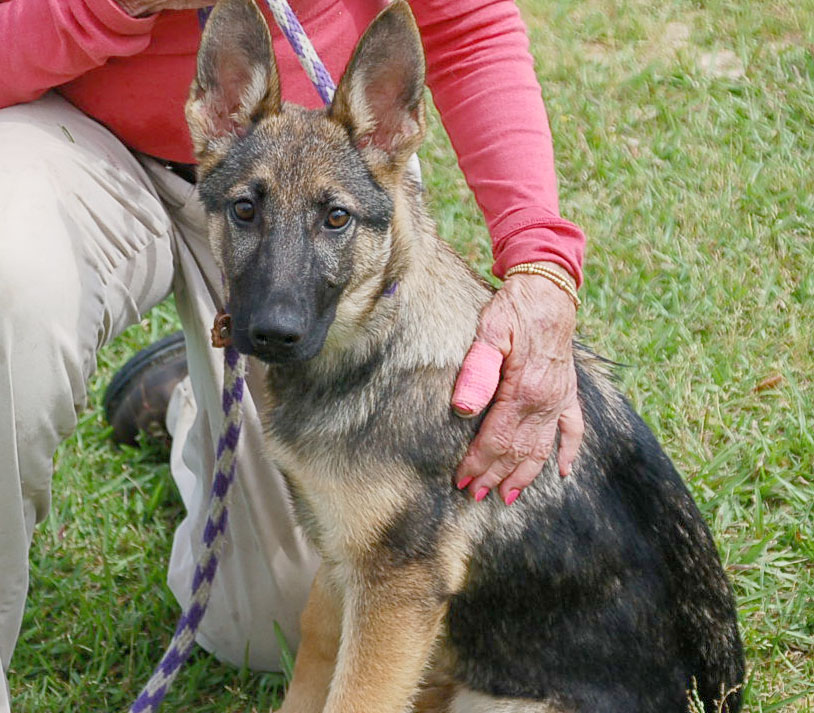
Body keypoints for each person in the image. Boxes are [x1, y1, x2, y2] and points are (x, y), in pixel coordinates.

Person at [0, 0, 585, 708]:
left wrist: (540, 261)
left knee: (277, 617)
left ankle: (198, 394)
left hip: (328, 169)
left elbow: (468, 23)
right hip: (72, 132)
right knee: (8, 276)